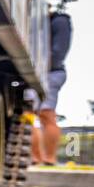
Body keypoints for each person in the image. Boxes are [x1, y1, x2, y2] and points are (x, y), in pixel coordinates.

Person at [33, 10, 72, 165]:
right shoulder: (37, 21)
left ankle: (49, 158)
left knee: (46, 115)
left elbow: (58, 52)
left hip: (50, 72)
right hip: (36, 71)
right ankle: (35, 157)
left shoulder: (59, 20)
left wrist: (42, 67)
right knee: (29, 115)